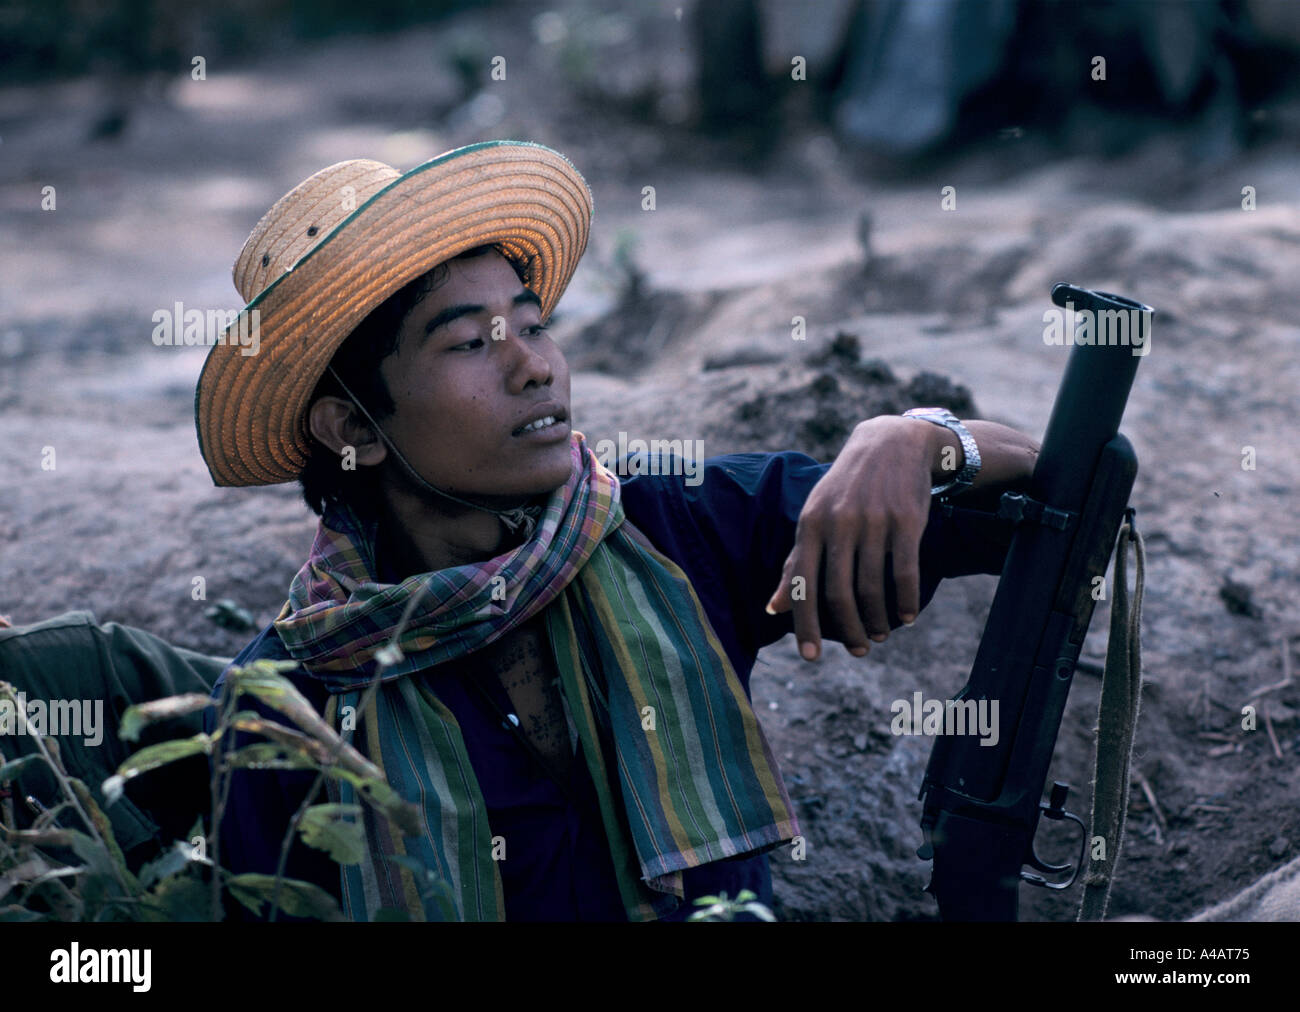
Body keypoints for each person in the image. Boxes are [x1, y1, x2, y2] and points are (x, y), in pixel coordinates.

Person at [194, 140, 1041, 922]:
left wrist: (919, 439)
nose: (535, 366)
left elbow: (1062, 491)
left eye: (531, 326)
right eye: (468, 344)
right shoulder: (282, 708)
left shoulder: (679, 533)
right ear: (354, 429)